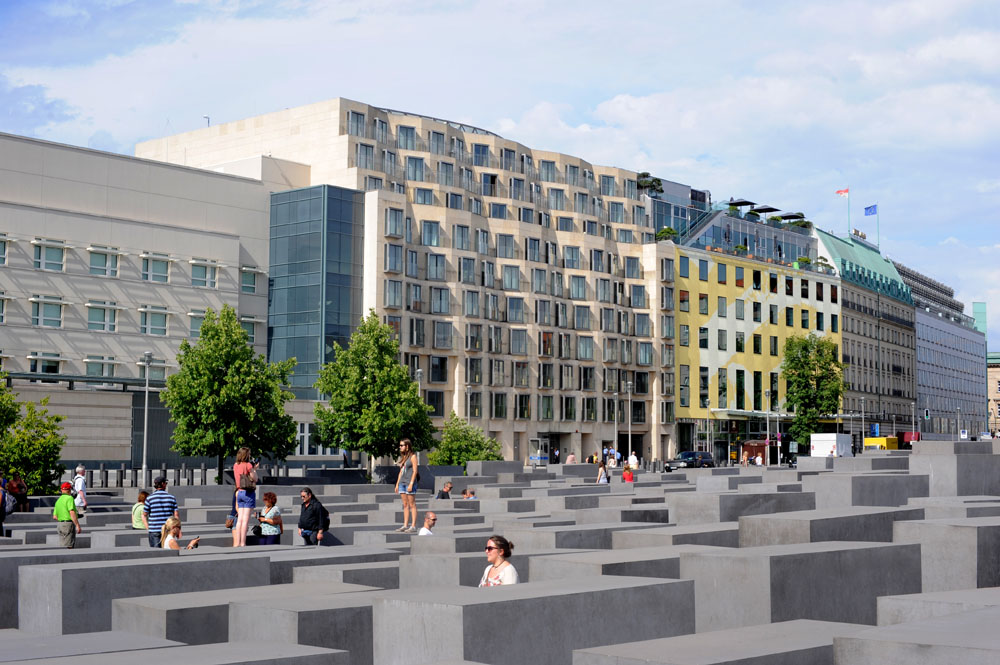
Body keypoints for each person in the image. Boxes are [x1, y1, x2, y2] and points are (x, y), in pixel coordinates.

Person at [143, 476, 179, 548]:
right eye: (166, 483)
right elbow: (176, 515)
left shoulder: (149, 498)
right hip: (167, 529)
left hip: (154, 529)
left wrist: (148, 527)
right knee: (168, 551)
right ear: (162, 484)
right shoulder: (171, 497)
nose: (166, 484)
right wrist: (178, 530)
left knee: (156, 554)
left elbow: (144, 515)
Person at [232, 447, 257, 548]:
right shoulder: (248, 465)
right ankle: (243, 543)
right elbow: (255, 479)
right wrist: (254, 470)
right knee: (245, 520)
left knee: (239, 519)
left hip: (239, 492)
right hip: (248, 493)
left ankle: (237, 542)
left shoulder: (235, 465)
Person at [393, 438, 419, 533]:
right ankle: (405, 525)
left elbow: (415, 471)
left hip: (409, 483)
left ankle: (413, 526)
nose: (400, 447)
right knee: (405, 505)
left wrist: (411, 483)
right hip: (402, 483)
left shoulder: (413, 456)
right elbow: (401, 472)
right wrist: (397, 484)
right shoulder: (404, 457)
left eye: (401, 445)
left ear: (407, 446)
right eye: (399, 445)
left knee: (412, 504)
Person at [52, 482, 81, 548]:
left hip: (60, 525)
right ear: (69, 490)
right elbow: (72, 512)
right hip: (68, 524)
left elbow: (55, 516)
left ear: (61, 490)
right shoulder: (69, 498)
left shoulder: (58, 500)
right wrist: (77, 525)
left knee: (63, 546)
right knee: (69, 546)